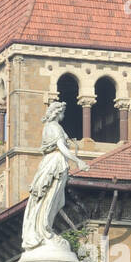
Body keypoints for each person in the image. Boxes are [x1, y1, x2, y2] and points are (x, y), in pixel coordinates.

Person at [21, 100, 88, 250]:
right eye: (63, 112)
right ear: (57, 113)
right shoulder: (54, 127)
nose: (64, 115)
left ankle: (45, 229)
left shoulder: (51, 127)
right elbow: (61, 148)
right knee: (51, 198)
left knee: (58, 200)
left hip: (53, 163)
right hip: (55, 163)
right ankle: (43, 230)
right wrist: (78, 161)